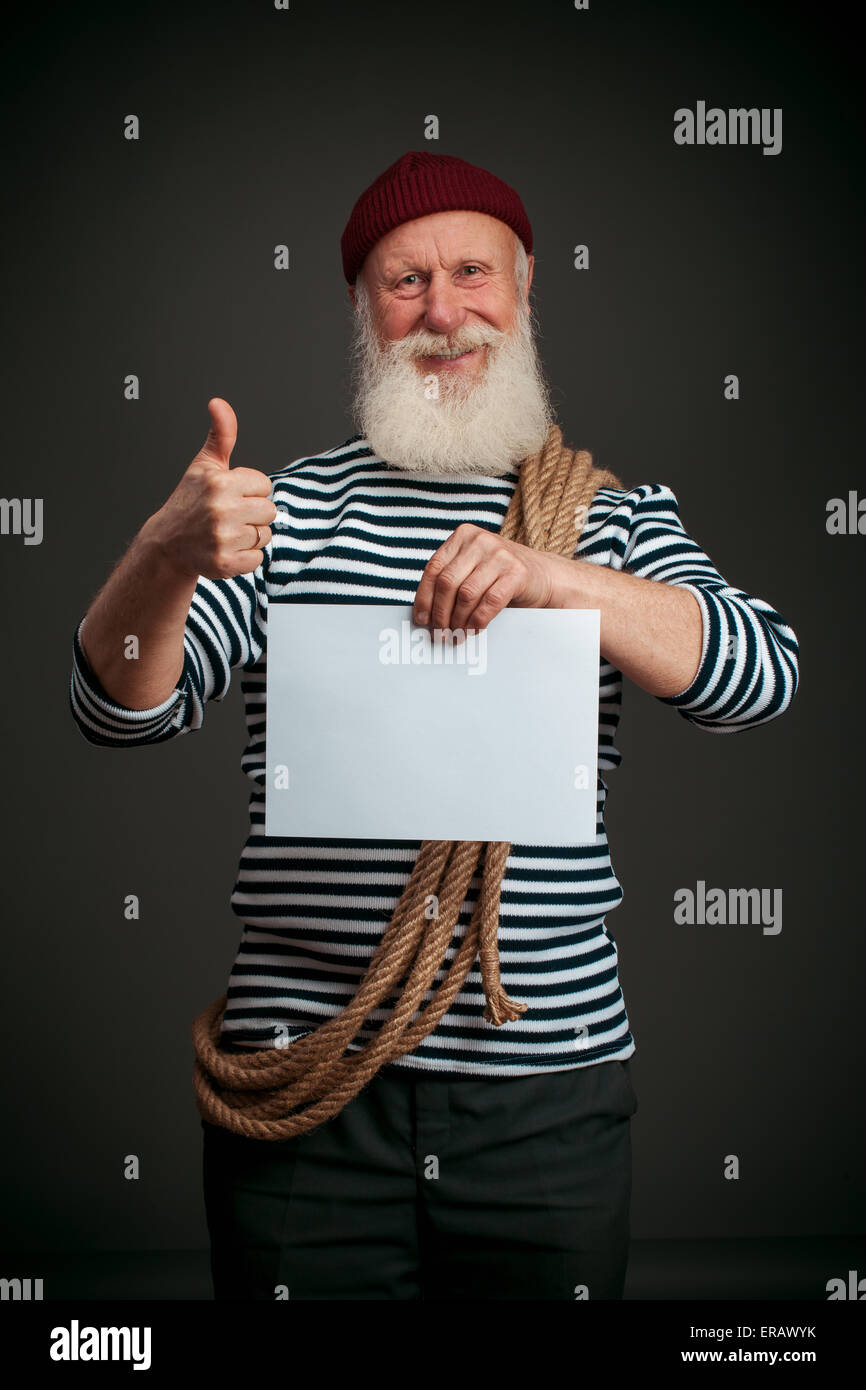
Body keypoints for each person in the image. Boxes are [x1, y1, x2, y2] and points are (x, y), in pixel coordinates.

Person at [68, 150, 800, 1301]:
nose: (443, 312)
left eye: (471, 272)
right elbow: (118, 709)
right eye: (404, 282)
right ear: (363, 309)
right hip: (306, 1084)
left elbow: (759, 678)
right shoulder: (288, 512)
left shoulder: (603, 515)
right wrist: (160, 557)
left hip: (546, 1095)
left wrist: (559, 582)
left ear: (521, 293)